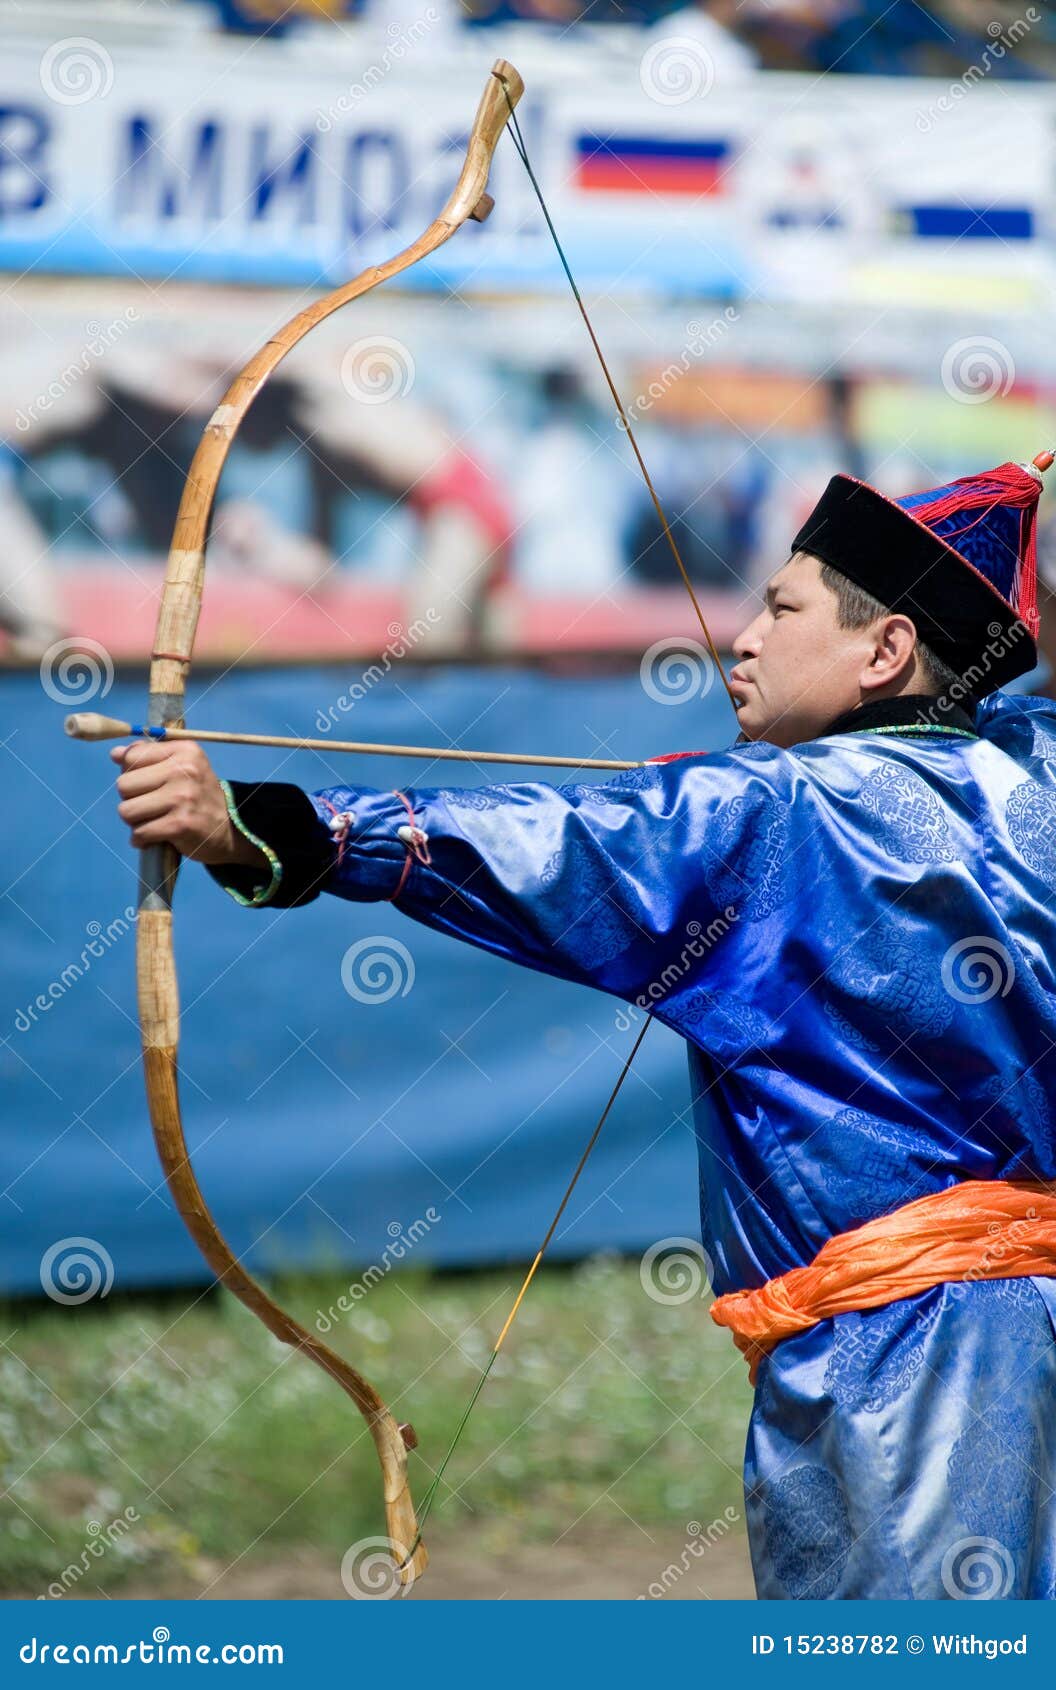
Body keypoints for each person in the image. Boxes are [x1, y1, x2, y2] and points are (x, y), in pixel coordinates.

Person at [112, 453, 1056, 1599]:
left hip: (901, 1362)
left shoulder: (773, 811)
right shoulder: (1033, 779)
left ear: (886, 650)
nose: (744, 639)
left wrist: (256, 825)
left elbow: (551, 843)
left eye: (781, 608)